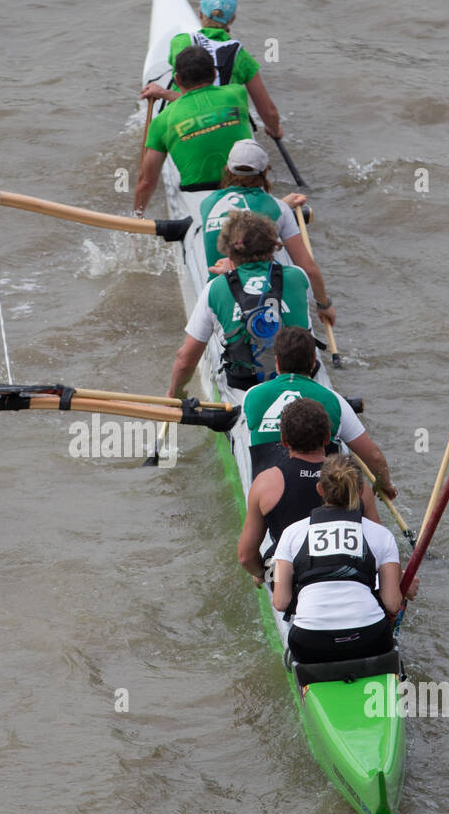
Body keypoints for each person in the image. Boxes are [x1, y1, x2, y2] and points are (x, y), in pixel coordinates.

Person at [271, 455, 417, 664]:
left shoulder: (291, 533)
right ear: (360, 492)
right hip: (369, 639)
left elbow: (280, 601)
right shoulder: (381, 535)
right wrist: (403, 587)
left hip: (309, 642)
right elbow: (393, 604)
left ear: (320, 489)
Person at [168, 210, 310, 398]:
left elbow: (185, 360)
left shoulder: (215, 288)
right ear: (272, 246)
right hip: (301, 383)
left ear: (229, 251)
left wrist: (174, 393)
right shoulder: (298, 276)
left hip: (245, 388)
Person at [238, 400, 380, 586]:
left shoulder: (265, 483)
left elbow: (246, 556)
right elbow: (379, 548)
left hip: (291, 583)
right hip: (350, 578)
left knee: (269, 562)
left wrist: (261, 574)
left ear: (283, 440)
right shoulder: (356, 482)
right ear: (328, 437)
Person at [243, 326, 398, 496]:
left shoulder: (251, 396)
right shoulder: (334, 400)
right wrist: (384, 484)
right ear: (313, 362)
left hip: (269, 499)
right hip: (324, 499)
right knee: (365, 493)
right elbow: (374, 456)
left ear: (277, 362)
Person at [200, 139, 335, 326]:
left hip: (218, 296)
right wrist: (324, 304)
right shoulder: (277, 209)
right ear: (265, 172)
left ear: (228, 170)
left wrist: (283, 206)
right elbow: (309, 270)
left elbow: (240, 218)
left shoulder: (206, 203)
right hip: (263, 301)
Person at [141, 0, 283, 138]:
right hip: (225, 127)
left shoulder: (181, 42)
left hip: (184, 123)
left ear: (200, 13)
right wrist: (275, 130)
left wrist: (162, 92)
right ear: (232, 19)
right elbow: (269, 112)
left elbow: (194, 101)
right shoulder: (242, 57)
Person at [132, 45, 253, 215]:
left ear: (177, 80)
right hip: (248, 189)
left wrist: (136, 220)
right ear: (215, 74)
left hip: (198, 201)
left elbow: (146, 183)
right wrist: (166, 94)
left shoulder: (162, 121)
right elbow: (202, 105)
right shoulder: (237, 93)